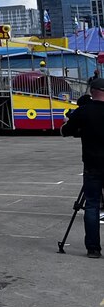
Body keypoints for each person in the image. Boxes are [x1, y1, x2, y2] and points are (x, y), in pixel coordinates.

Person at [62, 76, 104, 258]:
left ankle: (93, 249)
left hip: (92, 166)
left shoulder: (84, 111)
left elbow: (65, 131)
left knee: (92, 206)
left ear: (92, 92)